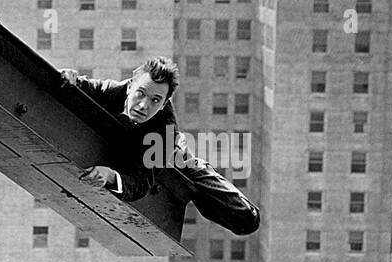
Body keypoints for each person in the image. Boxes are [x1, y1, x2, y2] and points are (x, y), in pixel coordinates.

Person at [62, 55, 260, 235]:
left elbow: (141, 184)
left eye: (155, 100)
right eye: (141, 93)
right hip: (132, 143)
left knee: (243, 217)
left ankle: (244, 209)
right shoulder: (110, 91)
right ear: (130, 86)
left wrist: (111, 176)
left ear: (164, 104)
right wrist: (69, 77)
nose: (143, 106)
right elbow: (78, 84)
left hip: (170, 151)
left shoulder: (165, 131)